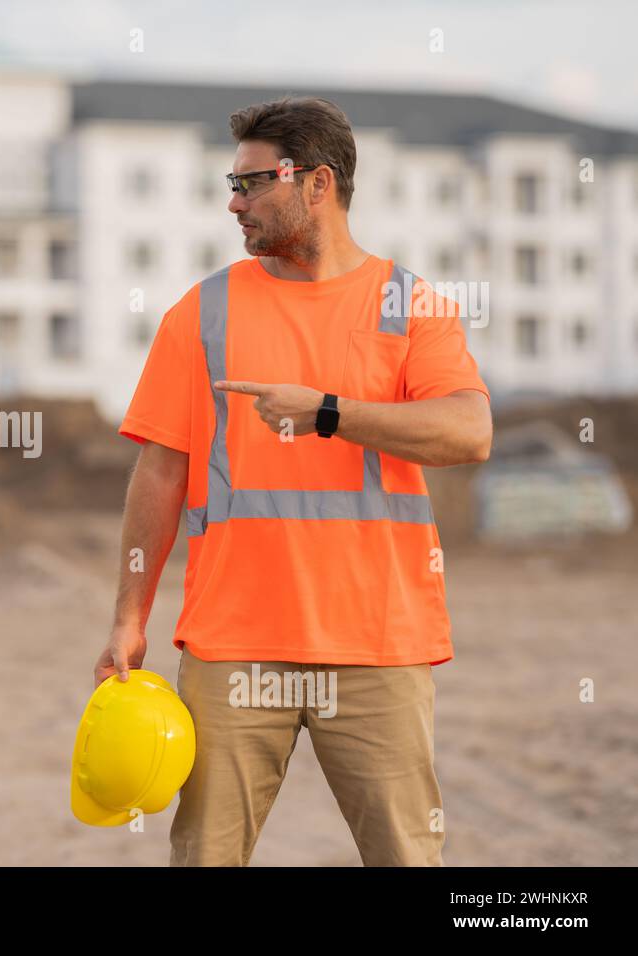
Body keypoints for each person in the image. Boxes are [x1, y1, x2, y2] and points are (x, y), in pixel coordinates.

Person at [96, 96, 492, 866]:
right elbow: (159, 474)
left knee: (408, 857)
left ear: (317, 183)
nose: (234, 202)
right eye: (231, 182)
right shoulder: (201, 313)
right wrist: (128, 616)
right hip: (232, 644)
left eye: (251, 183)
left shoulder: (410, 306)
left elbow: (469, 432)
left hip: (377, 643)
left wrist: (331, 414)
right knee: (205, 854)